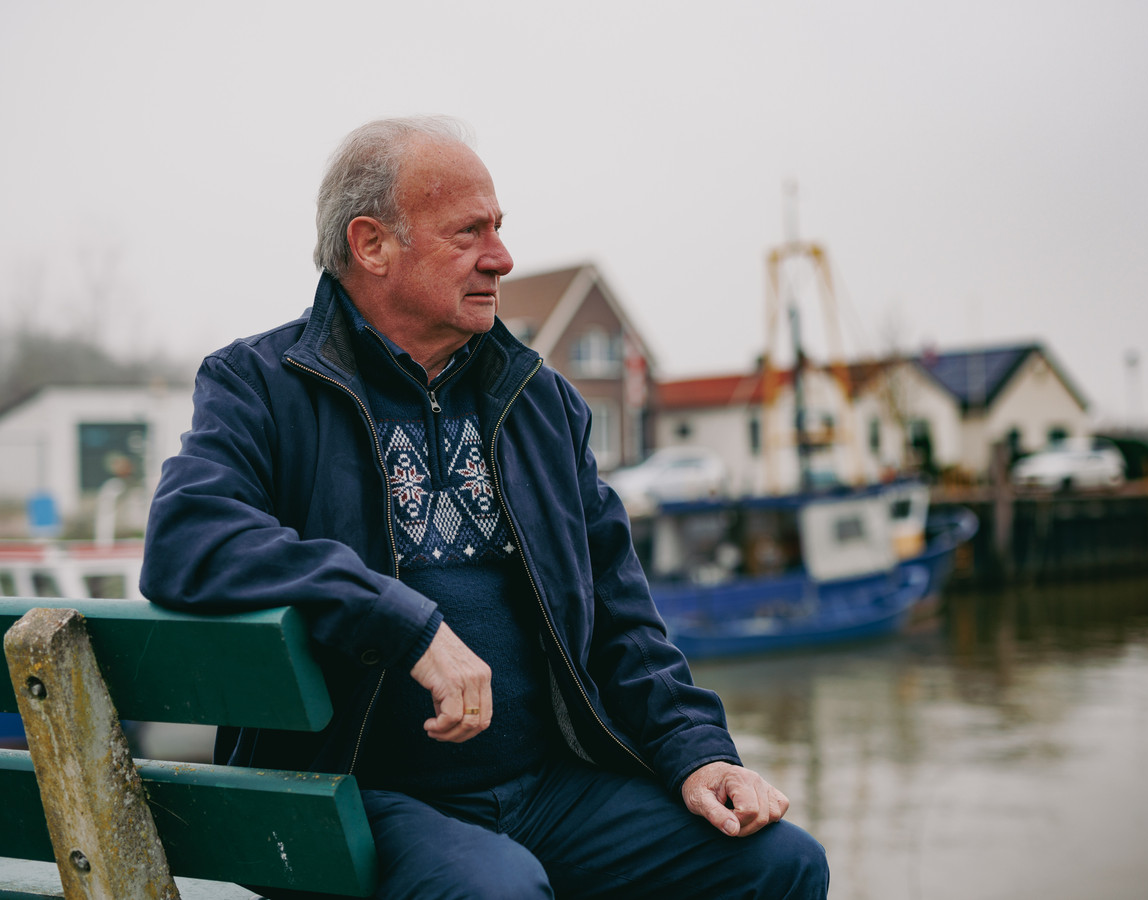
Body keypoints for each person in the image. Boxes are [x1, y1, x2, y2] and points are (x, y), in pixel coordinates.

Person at [140, 115, 829, 900]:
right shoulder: (261, 383)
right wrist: (404, 625)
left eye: (498, 229)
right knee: (498, 889)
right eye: (468, 233)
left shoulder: (541, 402)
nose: (500, 257)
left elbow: (621, 617)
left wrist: (697, 752)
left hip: (548, 791)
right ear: (372, 244)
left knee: (778, 863)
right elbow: (189, 538)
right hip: (360, 795)